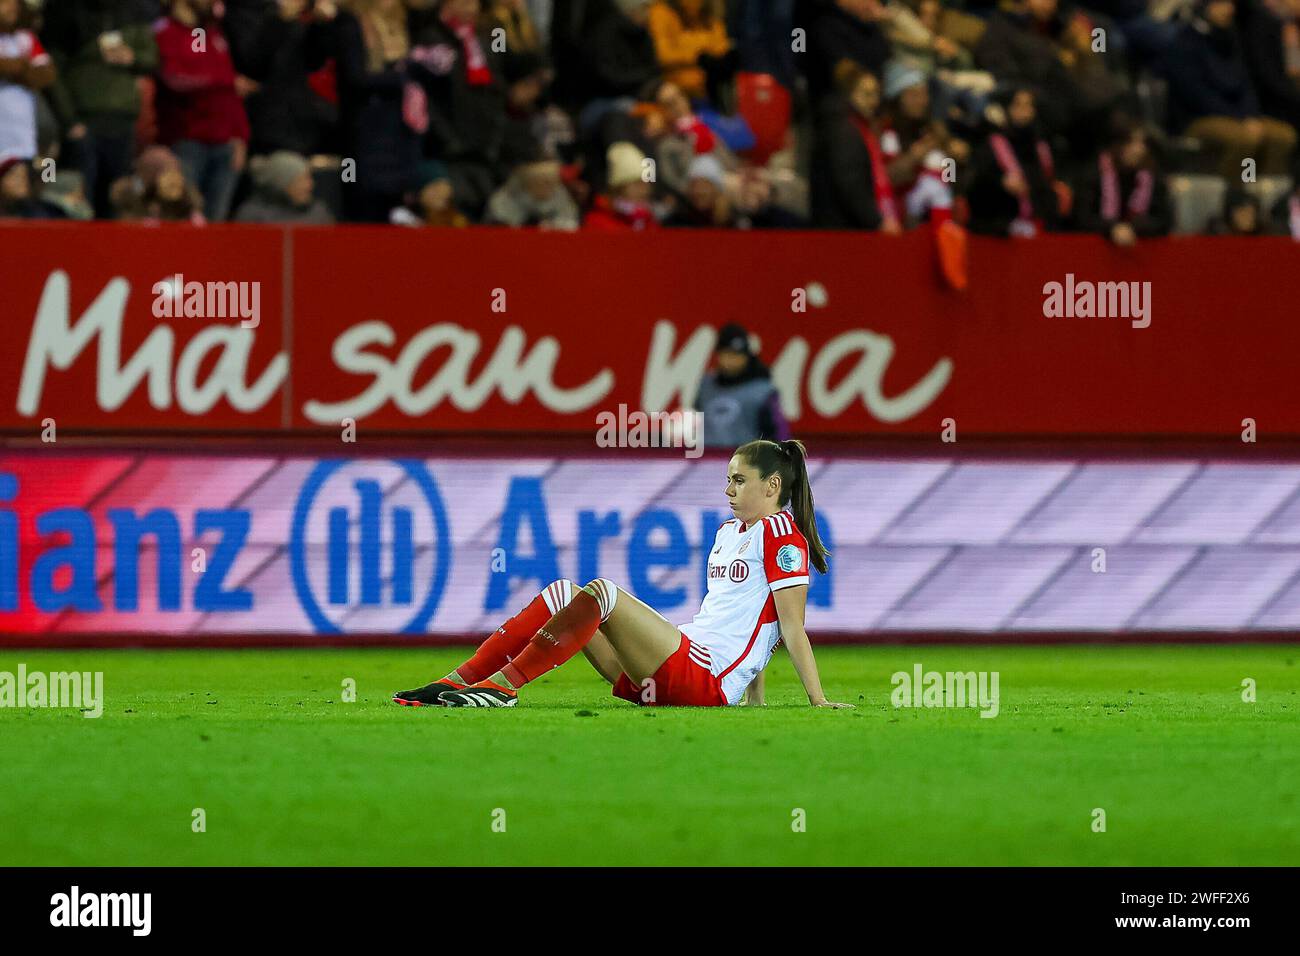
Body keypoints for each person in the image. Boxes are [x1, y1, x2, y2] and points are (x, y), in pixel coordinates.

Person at [394, 439, 850, 708]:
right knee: (562, 593)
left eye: (739, 480)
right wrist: (756, 702)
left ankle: (504, 689)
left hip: (702, 678)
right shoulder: (730, 532)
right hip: (670, 670)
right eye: (728, 478)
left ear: (772, 486)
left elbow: (788, 627)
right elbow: (742, 618)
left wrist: (817, 700)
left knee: (603, 593)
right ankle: (457, 682)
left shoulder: (783, 538)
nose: (728, 488)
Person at [41, 0, 160, 218]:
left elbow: (152, 58)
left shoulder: (132, 12)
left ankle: (114, 251)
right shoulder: (66, 12)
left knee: (120, 199)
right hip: (84, 121)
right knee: (78, 203)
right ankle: (78, 250)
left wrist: (132, 57)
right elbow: (52, 71)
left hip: (123, 121)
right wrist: (69, 120)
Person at [153, 0, 252, 222]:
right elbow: (175, 79)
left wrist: (240, 136)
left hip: (225, 143)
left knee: (216, 223)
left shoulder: (214, 33)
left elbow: (231, 96)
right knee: (182, 219)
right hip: (186, 142)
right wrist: (225, 82)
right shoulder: (166, 30)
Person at [695, 322, 791, 448]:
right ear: (718, 355)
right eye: (728, 353)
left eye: (738, 355)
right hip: (707, 463)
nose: (733, 360)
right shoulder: (705, 387)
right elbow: (694, 426)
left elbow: (779, 434)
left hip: (747, 463)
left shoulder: (763, 392)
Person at [1073, 122, 1171, 244]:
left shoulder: (1152, 178)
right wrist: (1112, 228)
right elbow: (1082, 219)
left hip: (1142, 253)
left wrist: (1133, 228)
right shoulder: (1093, 175)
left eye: (1143, 143)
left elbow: (1164, 220)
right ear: (1116, 144)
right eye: (1131, 143)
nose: (1139, 150)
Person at [0, 0, 55, 166]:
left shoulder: (25, 38)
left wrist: (17, 68)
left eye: (15, 5)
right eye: (5, 3)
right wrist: (24, 67)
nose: (12, 9)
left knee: (47, 161)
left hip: (25, 130)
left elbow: (47, 75)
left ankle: (47, 187)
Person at [234, 149, 335, 223]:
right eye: (301, 180)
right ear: (281, 183)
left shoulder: (318, 214)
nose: (310, 185)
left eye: (309, 178)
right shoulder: (253, 215)